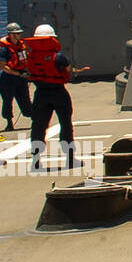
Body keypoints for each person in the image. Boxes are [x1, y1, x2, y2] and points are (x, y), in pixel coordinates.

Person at [24, 24, 88, 171]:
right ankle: (70, 159)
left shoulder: (32, 56)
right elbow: (67, 68)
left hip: (40, 93)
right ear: (52, 39)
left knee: (38, 126)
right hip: (58, 92)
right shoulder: (58, 57)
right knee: (66, 125)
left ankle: (35, 160)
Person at [1, 22, 32, 131]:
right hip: (8, 78)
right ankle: (9, 123)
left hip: (21, 77)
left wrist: (26, 73)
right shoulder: (4, 49)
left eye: (18, 33)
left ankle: (34, 119)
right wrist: (18, 74)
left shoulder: (21, 46)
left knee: (25, 100)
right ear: (9, 34)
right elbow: (4, 67)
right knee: (7, 101)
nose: (17, 35)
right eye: (15, 33)